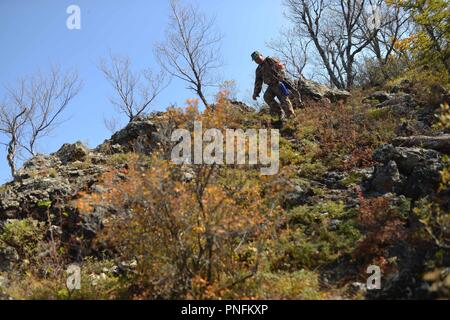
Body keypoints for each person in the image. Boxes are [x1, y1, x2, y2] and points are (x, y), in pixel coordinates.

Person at [251, 51, 296, 120]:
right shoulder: (258, 70)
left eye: (258, 57)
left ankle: (291, 116)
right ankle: (280, 113)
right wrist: (255, 93)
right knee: (266, 97)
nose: (257, 60)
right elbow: (258, 82)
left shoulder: (270, 60)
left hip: (278, 83)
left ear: (261, 55)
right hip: (271, 86)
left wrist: (281, 75)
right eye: (255, 60)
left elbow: (281, 66)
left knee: (284, 99)